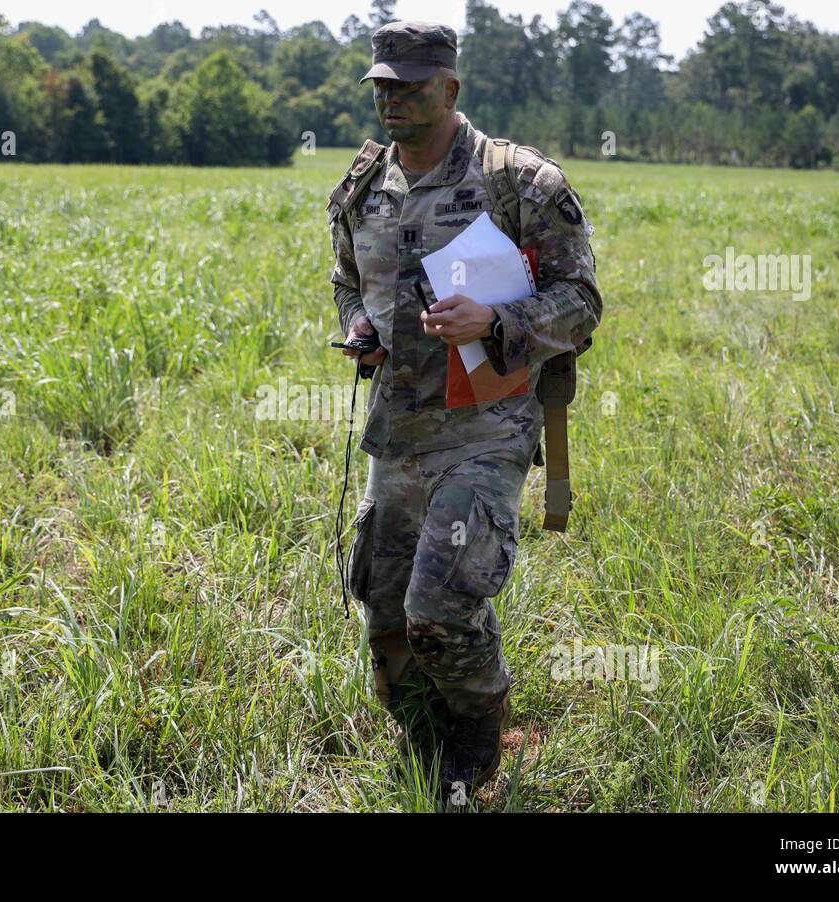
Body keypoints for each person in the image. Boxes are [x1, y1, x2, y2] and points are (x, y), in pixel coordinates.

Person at [326, 20, 602, 799]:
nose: (394, 100)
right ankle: (423, 743)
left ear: (451, 88)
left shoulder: (521, 182)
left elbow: (581, 303)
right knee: (384, 613)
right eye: (383, 86)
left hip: (488, 427)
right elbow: (349, 278)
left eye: (411, 86)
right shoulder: (362, 185)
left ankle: (481, 745)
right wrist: (360, 326)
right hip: (398, 429)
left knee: (440, 601)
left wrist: (497, 324)